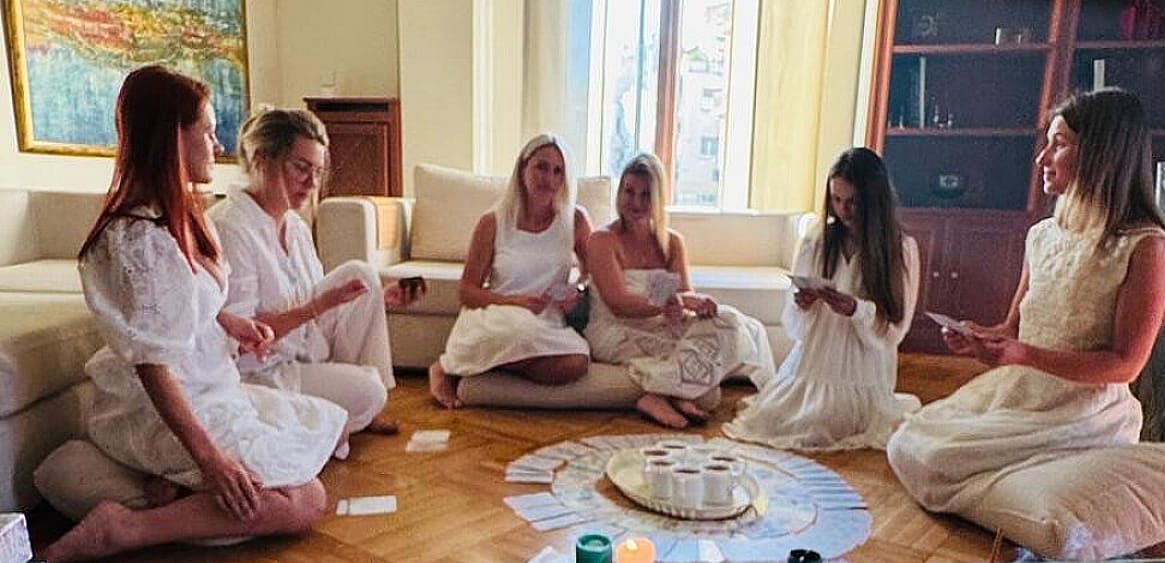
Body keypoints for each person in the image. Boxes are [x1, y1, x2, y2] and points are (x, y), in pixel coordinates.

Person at [42, 66, 348, 563]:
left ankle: (171, 492)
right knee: (302, 501)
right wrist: (210, 460)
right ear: (171, 137)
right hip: (161, 401)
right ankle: (125, 528)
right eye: (205, 130)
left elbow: (190, 303)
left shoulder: (184, 211)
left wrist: (230, 322)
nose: (217, 141)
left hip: (211, 380)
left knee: (322, 436)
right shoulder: (134, 239)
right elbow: (152, 364)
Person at [887, 87, 1165, 514]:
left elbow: (1124, 365)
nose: (1041, 158)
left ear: (1100, 154)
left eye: (1058, 145)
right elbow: (1013, 331)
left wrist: (1022, 354)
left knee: (938, 459)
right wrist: (983, 341)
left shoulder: (1145, 245)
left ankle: (1030, 496)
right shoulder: (1041, 236)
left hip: (1081, 408)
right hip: (1022, 390)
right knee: (908, 441)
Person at [209, 107, 423, 437]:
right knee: (369, 390)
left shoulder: (293, 225)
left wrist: (378, 299)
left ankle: (348, 412)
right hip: (259, 371)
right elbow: (240, 341)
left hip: (303, 352)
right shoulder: (230, 227)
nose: (312, 183)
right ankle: (337, 417)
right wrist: (319, 307)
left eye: (319, 171)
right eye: (301, 168)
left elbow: (314, 303)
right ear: (261, 159)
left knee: (362, 275)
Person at [723, 148, 920, 449]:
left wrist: (856, 309)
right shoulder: (818, 241)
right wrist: (803, 305)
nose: (843, 210)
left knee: (827, 424)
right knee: (786, 420)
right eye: (837, 200)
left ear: (874, 201)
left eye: (853, 202)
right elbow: (795, 324)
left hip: (863, 366)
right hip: (816, 357)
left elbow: (895, 329)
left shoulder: (900, 249)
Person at [585, 153, 775, 428]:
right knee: (709, 390)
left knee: (732, 320)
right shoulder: (602, 240)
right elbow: (618, 303)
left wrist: (695, 306)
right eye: (629, 191)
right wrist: (669, 304)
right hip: (616, 328)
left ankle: (661, 393)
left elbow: (685, 298)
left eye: (646, 195)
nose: (636, 202)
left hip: (664, 324)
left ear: (659, 198)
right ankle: (675, 392)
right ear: (620, 191)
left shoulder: (672, 242)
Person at [428, 133, 592, 408]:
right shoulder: (492, 222)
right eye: (541, 167)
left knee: (577, 361)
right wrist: (514, 301)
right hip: (497, 314)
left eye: (558, 171)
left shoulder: (575, 219)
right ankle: (446, 367)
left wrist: (579, 289)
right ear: (523, 168)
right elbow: (467, 292)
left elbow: (592, 272)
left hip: (545, 319)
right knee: (519, 332)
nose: (548, 178)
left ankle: (480, 365)